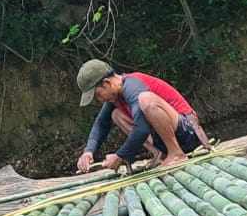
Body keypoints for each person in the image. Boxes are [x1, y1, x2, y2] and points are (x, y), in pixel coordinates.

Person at [74, 60, 209, 173]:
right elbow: (101, 124)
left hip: (188, 133)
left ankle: (176, 153)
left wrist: (120, 156)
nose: (100, 99)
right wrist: (88, 152)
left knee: (146, 100)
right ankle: (159, 154)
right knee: (116, 115)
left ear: (107, 83)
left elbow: (142, 129)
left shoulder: (132, 86)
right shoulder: (115, 96)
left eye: (98, 94)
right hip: (164, 138)